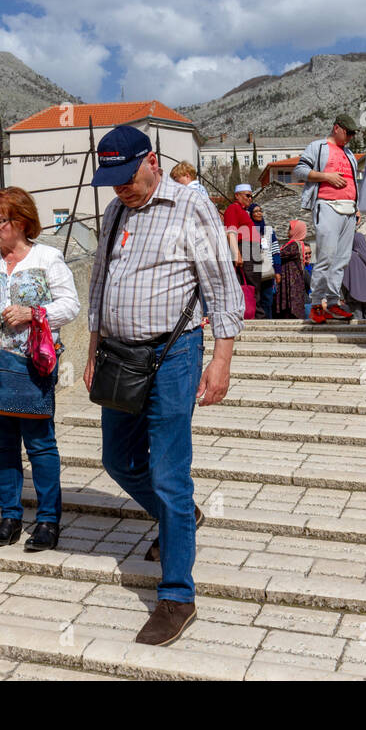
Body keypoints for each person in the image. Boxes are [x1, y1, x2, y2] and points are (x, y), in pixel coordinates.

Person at [84, 125, 244, 645]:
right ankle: (181, 519)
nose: (121, 188)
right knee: (117, 460)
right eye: (111, 181)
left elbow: (221, 284)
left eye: (127, 177)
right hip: (120, 357)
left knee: (169, 473)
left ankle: (177, 595)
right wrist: (91, 352)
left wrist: (220, 360)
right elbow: (99, 285)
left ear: (151, 160)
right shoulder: (114, 212)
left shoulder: (190, 206)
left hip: (173, 355)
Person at [0, 187, 79, 552]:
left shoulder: (47, 258)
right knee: (2, 446)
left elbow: (71, 305)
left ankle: (49, 520)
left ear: (21, 222)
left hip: (31, 364)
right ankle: (10, 515)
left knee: (40, 444)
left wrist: (33, 313)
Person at [292, 114, 361, 323]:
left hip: (349, 209)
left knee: (342, 259)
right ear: (336, 128)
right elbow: (299, 170)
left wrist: (356, 206)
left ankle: (333, 302)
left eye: (352, 134)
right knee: (326, 257)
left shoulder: (349, 153)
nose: (349, 137)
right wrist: (326, 176)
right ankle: (316, 304)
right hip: (327, 205)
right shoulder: (318, 147)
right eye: (347, 132)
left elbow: (353, 181)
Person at [341, 222, 366, 324]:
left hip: (353, 295)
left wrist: (343, 296)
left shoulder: (347, 257)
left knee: (356, 323)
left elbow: (343, 279)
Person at [248, 203, 281, 319]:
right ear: (251, 214)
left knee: (267, 299)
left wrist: (277, 271)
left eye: (260, 211)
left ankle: (268, 322)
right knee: (255, 299)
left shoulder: (269, 231)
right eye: (256, 211)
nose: (259, 213)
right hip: (253, 270)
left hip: (267, 269)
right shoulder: (248, 230)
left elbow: (276, 251)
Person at [223, 183, 258, 289]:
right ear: (237, 195)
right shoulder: (233, 208)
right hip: (244, 249)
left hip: (251, 250)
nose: (250, 198)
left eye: (251, 196)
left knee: (255, 286)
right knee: (250, 287)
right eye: (247, 195)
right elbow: (231, 232)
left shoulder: (244, 211)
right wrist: (236, 254)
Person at [274, 219, 310, 320]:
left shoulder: (295, 245)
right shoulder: (292, 244)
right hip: (288, 281)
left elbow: (279, 255)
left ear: (297, 230)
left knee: (291, 309)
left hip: (291, 282)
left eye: (290, 228)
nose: (288, 230)